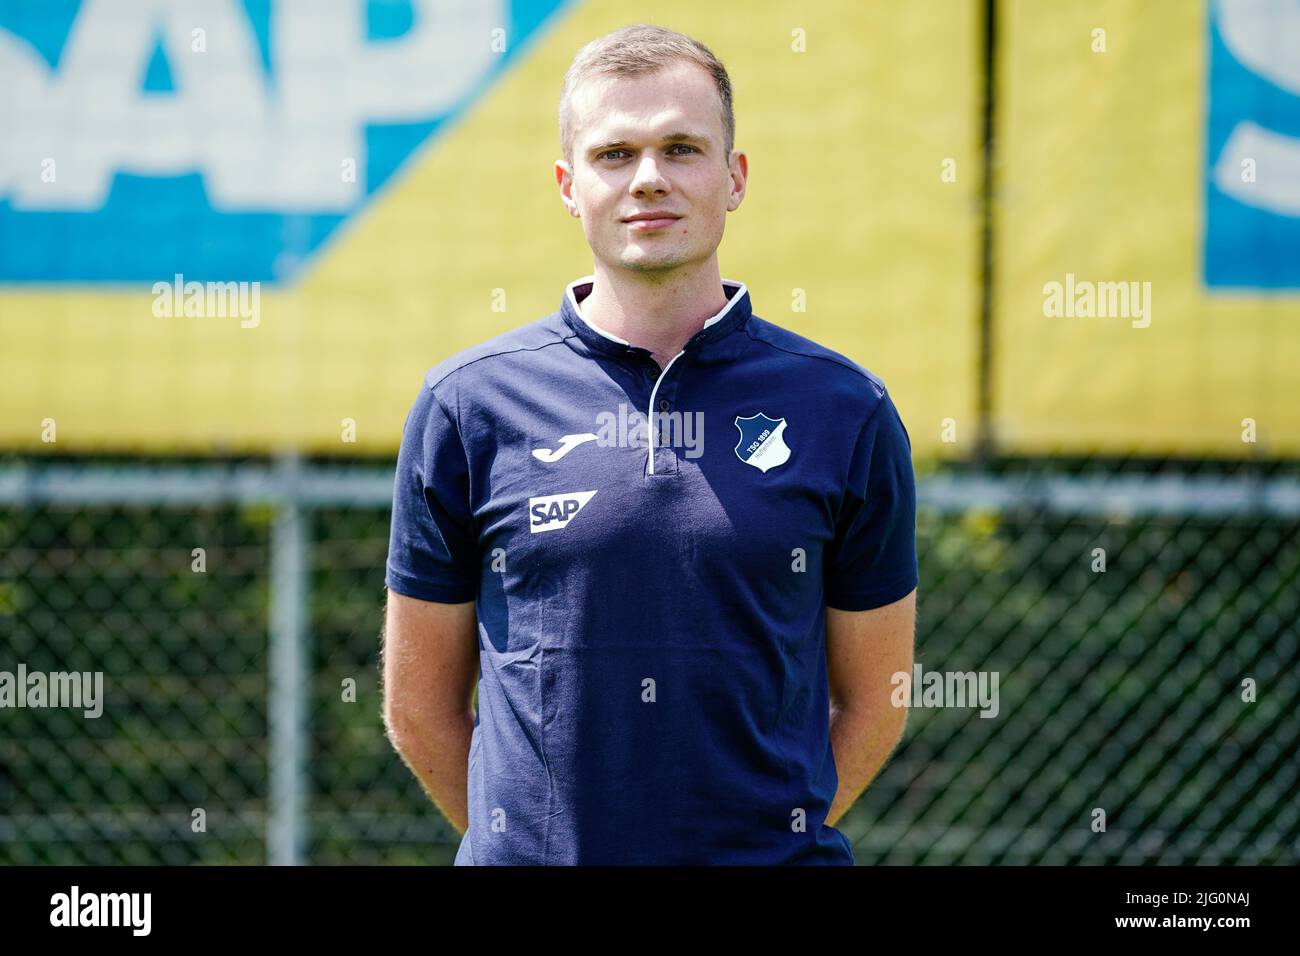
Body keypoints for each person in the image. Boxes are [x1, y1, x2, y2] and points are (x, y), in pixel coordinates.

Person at [382, 23, 917, 865]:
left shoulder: (845, 409)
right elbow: (420, 707)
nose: (649, 180)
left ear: (733, 178)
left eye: (681, 148)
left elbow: (877, 699)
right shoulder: (467, 405)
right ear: (568, 185)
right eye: (613, 155)